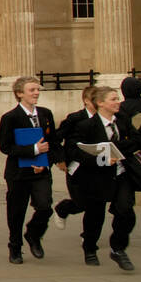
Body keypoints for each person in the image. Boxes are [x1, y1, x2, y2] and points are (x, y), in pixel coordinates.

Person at [67, 86, 141, 270]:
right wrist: (102, 158)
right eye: (114, 99)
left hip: (121, 173)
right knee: (95, 215)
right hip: (96, 176)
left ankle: (118, 248)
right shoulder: (86, 126)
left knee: (126, 211)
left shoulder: (123, 121)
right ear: (100, 103)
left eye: (118, 98)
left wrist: (119, 148)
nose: (118, 102)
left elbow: (135, 140)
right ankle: (90, 248)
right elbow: (75, 150)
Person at [0, 76, 61, 264]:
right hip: (18, 172)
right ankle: (15, 247)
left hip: (41, 171)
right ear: (19, 94)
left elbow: (53, 142)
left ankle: (33, 234)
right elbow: (5, 146)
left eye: (37, 90)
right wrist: (33, 150)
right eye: (32, 90)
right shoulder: (10, 117)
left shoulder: (45, 114)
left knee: (45, 207)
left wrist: (46, 161)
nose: (36, 93)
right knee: (16, 211)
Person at [53, 86, 99, 229]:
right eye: (95, 100)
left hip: (97, 166)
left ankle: (89, 237)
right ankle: (63, 209)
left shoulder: (107, 118)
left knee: (95, 204)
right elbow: (56, 138)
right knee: (81, 201)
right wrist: (59, 159)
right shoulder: (75, 118)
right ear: (86, 101)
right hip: (76, 165)